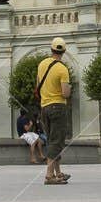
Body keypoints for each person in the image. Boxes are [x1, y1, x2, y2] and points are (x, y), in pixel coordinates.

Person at [36, 37, 73, 185]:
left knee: (52, 141)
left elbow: (38, 84)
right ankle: (49, 175)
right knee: (57, 141)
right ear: (63, 51)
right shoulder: (62, 69)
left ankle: (58, 173)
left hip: (44, 107)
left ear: (51, 49)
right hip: (58, 107)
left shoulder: (42, 64)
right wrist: (69, 89)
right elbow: (65, 93)